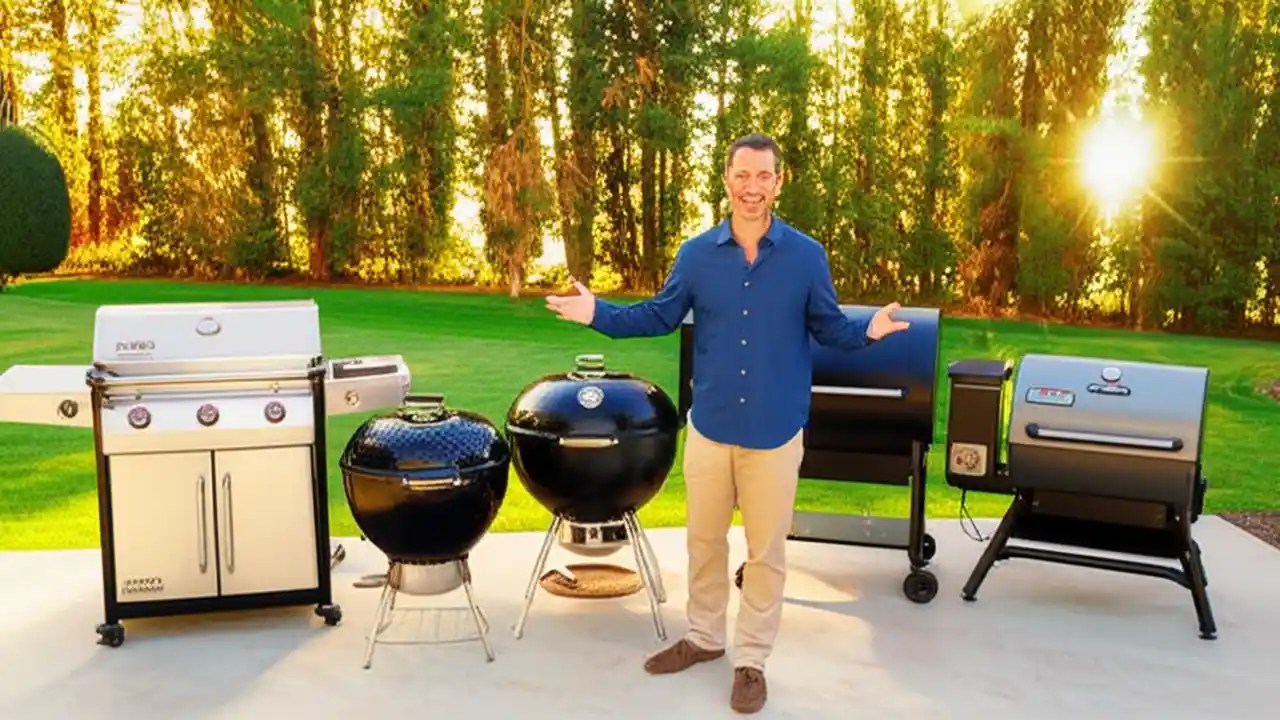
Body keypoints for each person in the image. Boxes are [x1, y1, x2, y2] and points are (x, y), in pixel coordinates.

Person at [544, 133, 910, 714]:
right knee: (704, 543)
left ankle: (752, 661)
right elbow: (659, 315)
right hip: (710, 428)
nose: (752, 187)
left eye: (764, 176)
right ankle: (705, 639)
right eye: (743, 175)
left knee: (765, 554)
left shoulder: (805, 257)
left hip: (775, 431)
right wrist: (598, 314)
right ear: (727, 179)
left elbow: (829, 327)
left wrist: (868, 330)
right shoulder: (696, 255)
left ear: (778, 183)